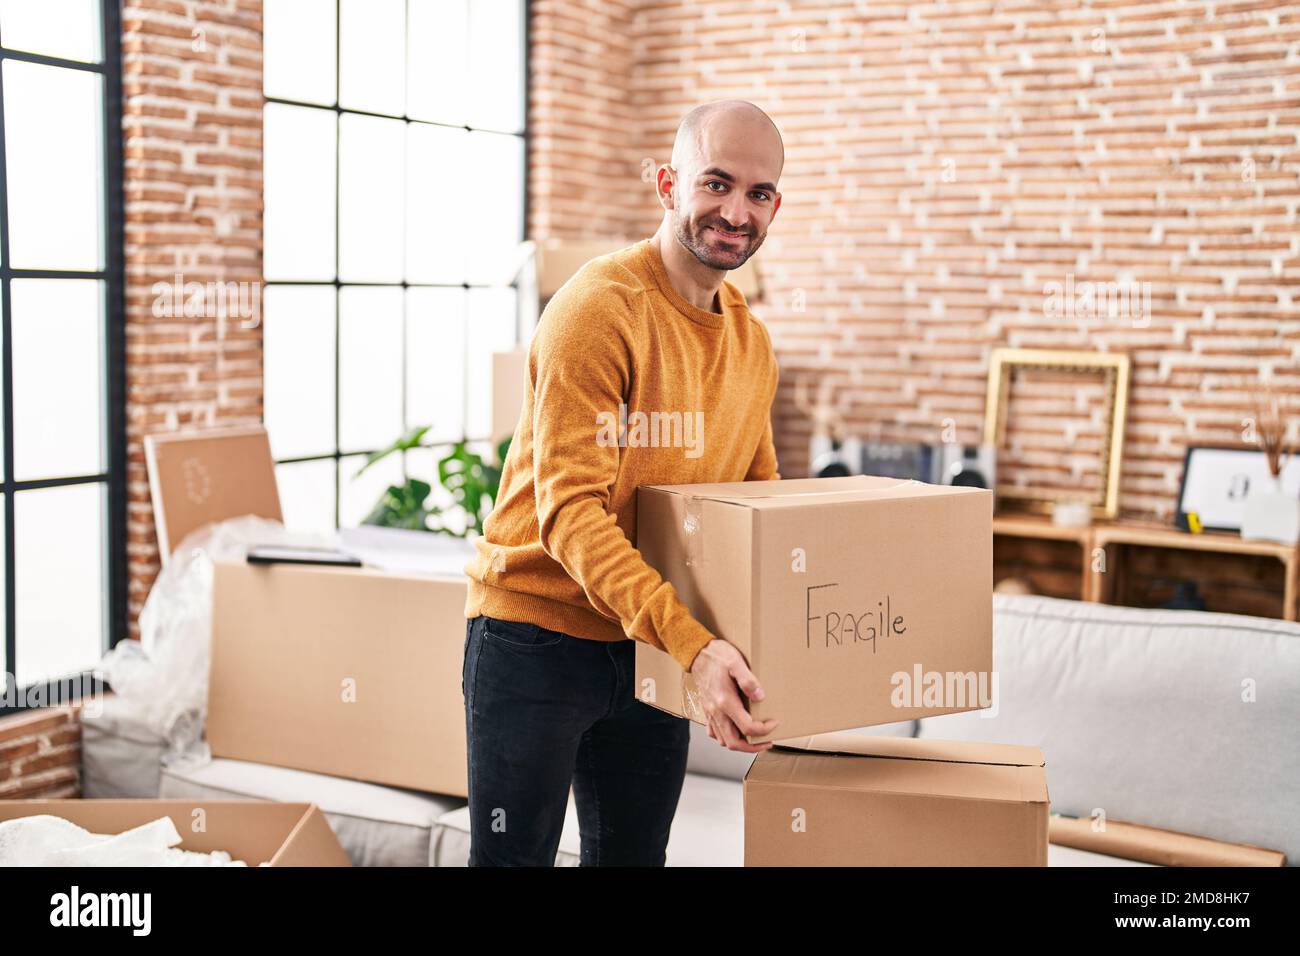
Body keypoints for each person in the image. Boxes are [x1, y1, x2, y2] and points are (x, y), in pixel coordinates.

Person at [461, 99, 785, 867]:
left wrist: (758, 653)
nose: (736, 212)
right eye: (716, 184)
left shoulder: (752, 343)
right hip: (534, 635)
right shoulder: (599, 310)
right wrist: (694, 647)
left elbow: (759, 506)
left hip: (648, 647)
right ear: (670, 184)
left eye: (759, 193)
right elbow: (569, 515)